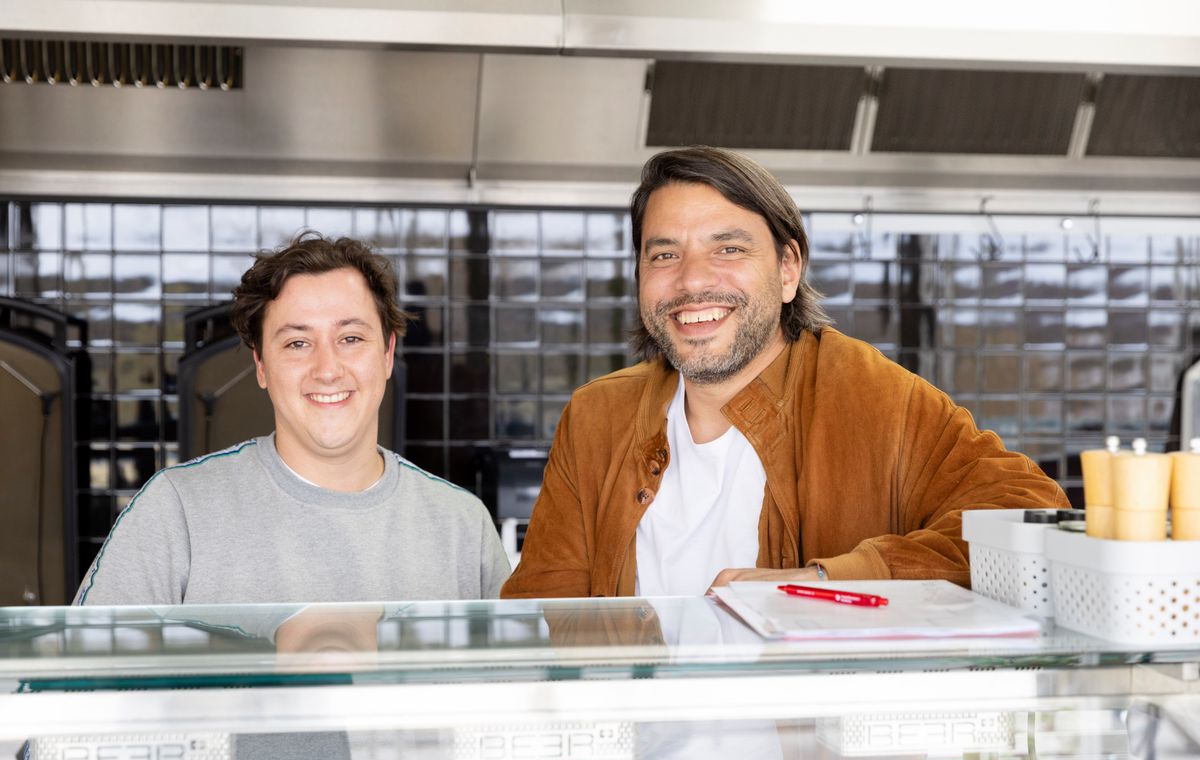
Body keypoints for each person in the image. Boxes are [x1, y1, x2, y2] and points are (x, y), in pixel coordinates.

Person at [502, 146, 1067, 599]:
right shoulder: (597, 417)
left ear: (788, 268)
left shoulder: (870, 395)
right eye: (664, 255)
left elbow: (1036, 520)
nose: (692, 281)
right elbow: (544, 615)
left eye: (728, 249)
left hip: (815, 743)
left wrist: (824, 582)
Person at [76, 231, 511, 605]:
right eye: (297, 343)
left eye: (351, 337)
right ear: (261, 365)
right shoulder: (175, 513)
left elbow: (512, 691)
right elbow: (78, 683)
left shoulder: (462, 526)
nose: (327, 369)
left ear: (387, 355)